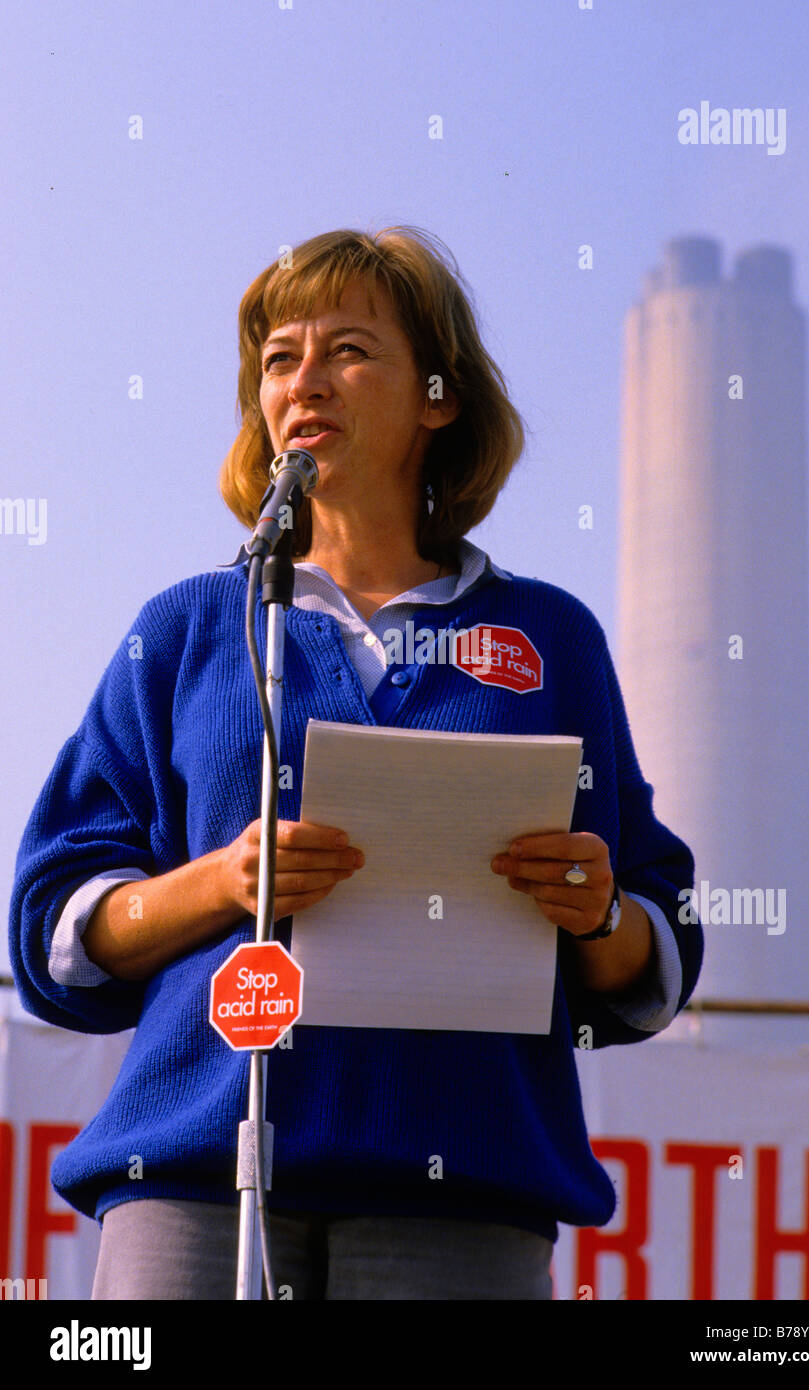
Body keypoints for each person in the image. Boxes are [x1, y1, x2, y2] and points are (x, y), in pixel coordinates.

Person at [8, 226, 702, 1300]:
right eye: (278, 358)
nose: (303, 380)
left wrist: (600, 916)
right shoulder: (189, 628)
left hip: (463, 1190)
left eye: (347, 350)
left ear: (437, 398)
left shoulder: (551, 637)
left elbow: (655, 948)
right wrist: (219, 883)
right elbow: (53, 923)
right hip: (191, 1180)